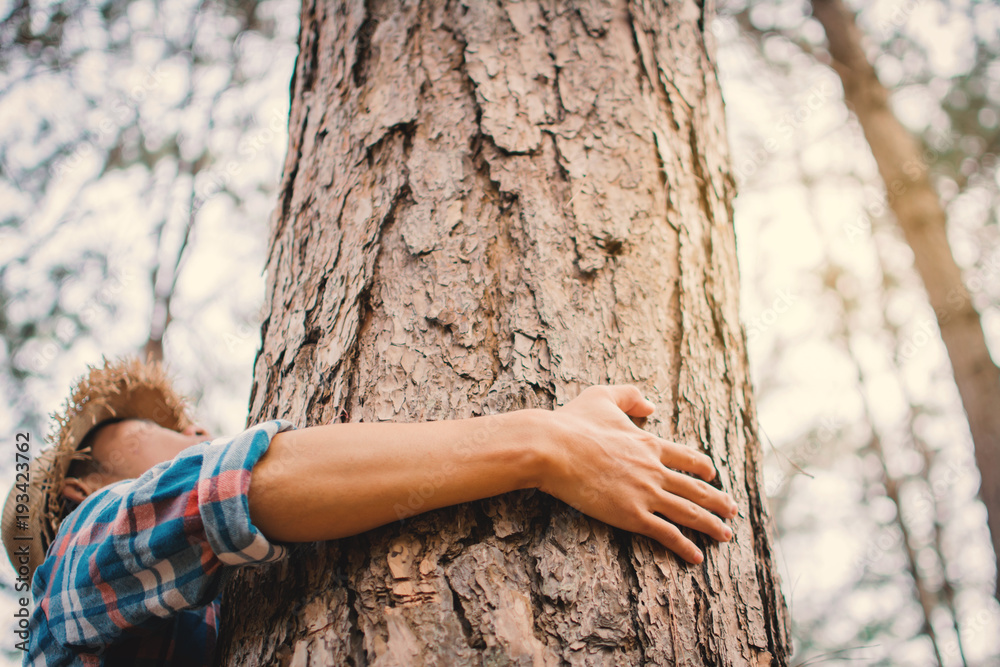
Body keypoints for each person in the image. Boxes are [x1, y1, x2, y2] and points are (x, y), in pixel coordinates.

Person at [2, 357, 738, 665]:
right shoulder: (75, 561)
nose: (196, 433)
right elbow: (226, 490)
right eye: (159, 435)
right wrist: (547, 442)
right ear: (78, 492)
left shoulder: (187, 620)